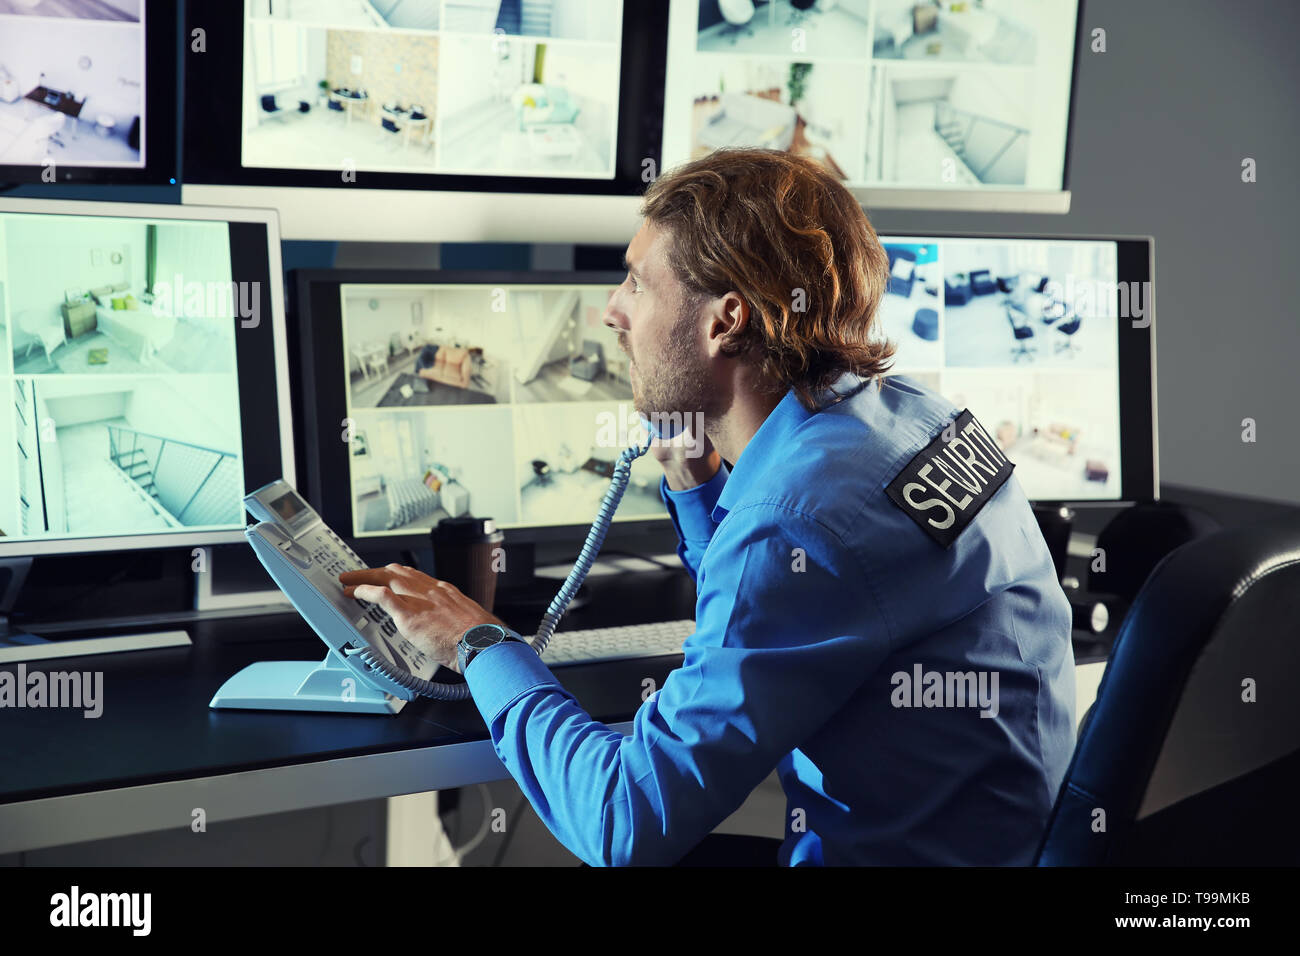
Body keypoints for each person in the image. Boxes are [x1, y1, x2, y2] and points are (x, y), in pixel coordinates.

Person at [341, 148, 1076, 866]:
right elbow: (802, 598)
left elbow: (619, 819)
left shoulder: (800, 516)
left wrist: (480, 643)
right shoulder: (913, 416)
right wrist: (699, 489)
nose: (611, 312)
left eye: (636, 282)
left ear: (726, 321)